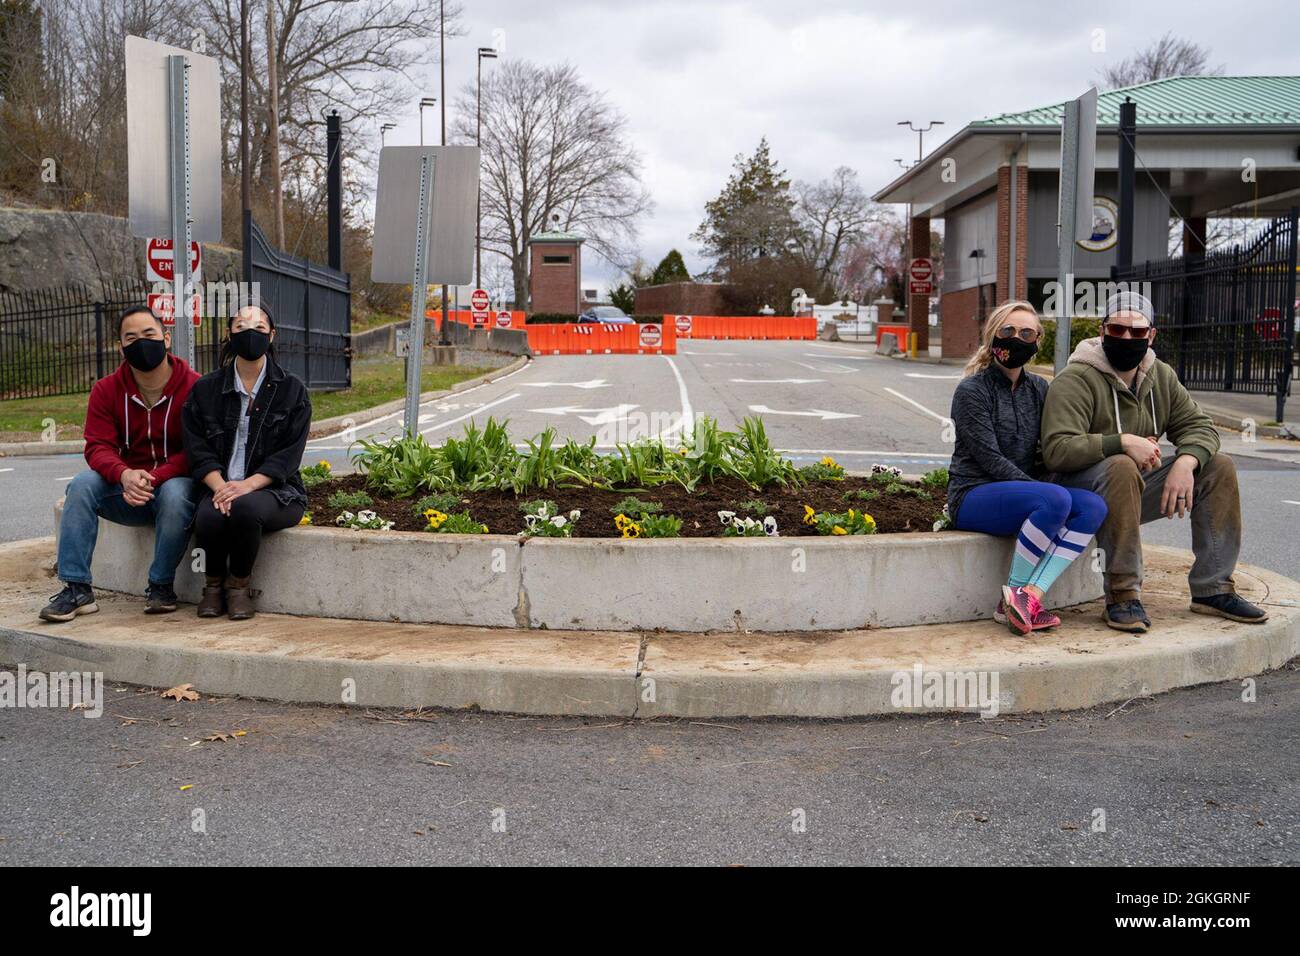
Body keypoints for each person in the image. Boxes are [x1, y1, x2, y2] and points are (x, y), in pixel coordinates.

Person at [1041, 290, 1267, 633]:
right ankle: (1122, 594)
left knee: (1218, 466)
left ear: (1151, 335)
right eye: (1117, 330)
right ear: (1102, 332)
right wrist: (1122, 442)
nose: (1126, 338)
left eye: (1136, 332)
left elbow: (1199, 427)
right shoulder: (1075, 379)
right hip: (1078, 495)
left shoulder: (1160, 376)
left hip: (1131, 488)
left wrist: (1186, 462)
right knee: (1120, 466)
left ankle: (1213, 589)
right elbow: (1057, 449)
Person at [947, 300, 1107, 635]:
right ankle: (1014, 599)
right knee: (1056, 500)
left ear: (1036, 343)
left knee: (1093, 505)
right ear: (992, 336)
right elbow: (989, 458)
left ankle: (1029, 596)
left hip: (1026, 495)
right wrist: (1044, 493)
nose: (1016, 339)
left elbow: (1047, 448)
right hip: (973, 495)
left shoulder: (1039, 389)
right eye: (1007, 331)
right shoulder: (972, 390)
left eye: (1025, 333)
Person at [41, 306, 199, 622]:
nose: (141, 342)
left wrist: (154, 477)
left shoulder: (195, 387)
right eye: (131, 337)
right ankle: (76, 589)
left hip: (172, 490)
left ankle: (161, 585)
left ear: (166, 339)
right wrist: (124, 475)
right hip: (124, 491)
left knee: (177, 491)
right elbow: (97, 446)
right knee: (82, 485)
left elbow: (199, 449)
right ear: (121, 347)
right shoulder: (106, 390)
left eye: (149, 334)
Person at [182, 302, 310, 620]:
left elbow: (289, 455)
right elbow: (197, 448)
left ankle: (238, 587)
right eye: (240, 327)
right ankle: (213, 587)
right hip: (219, 485)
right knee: (209, 515)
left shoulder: (292, 390)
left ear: (272, 335)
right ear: (229, 335)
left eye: (258, 328)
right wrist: (222, 487)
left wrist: (246, 487)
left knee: (246, 508)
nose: (249, 333)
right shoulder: (205, 389)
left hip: (276, 492)